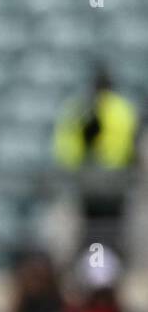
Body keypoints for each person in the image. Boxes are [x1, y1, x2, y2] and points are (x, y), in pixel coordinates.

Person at [53, 66, 138, 253]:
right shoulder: (122, 108)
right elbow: (133, 145)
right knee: (113, 228)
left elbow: (65, 146)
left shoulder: (78, 108)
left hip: (86, 178)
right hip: (116, 178)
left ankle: (89, 261)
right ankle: (111, 262)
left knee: (89, 227)